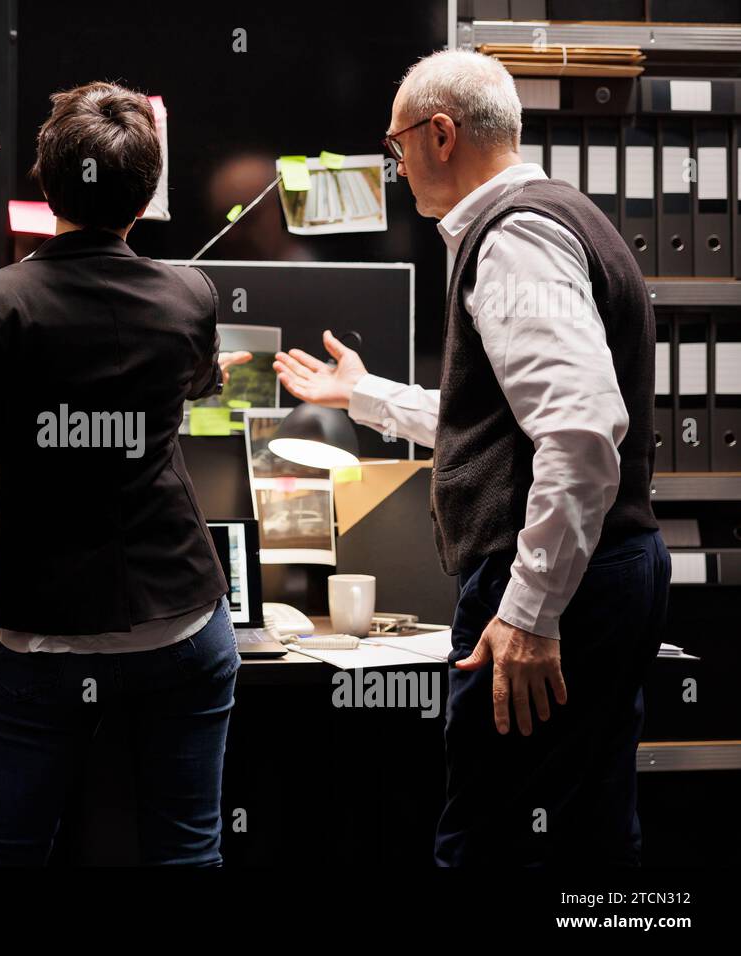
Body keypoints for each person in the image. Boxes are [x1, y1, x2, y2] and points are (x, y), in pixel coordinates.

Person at [274, 50, 669, 866]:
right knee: (587, 838)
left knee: (493, 842)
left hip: (562, 584)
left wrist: (528, 612)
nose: (396, 165)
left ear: (441, 134)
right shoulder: (553, 216)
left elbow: (579, 433)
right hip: (600, 572)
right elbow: (501, 427)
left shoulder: (517, 238)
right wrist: (364, 396)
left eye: (396, 146)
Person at [0, 81, 252, 866]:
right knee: (188, 856)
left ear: (46, 182)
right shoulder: (191, 293)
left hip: (45, 640)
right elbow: (190, 379)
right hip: (184, 623)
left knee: (4, 855)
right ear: (144, 193)